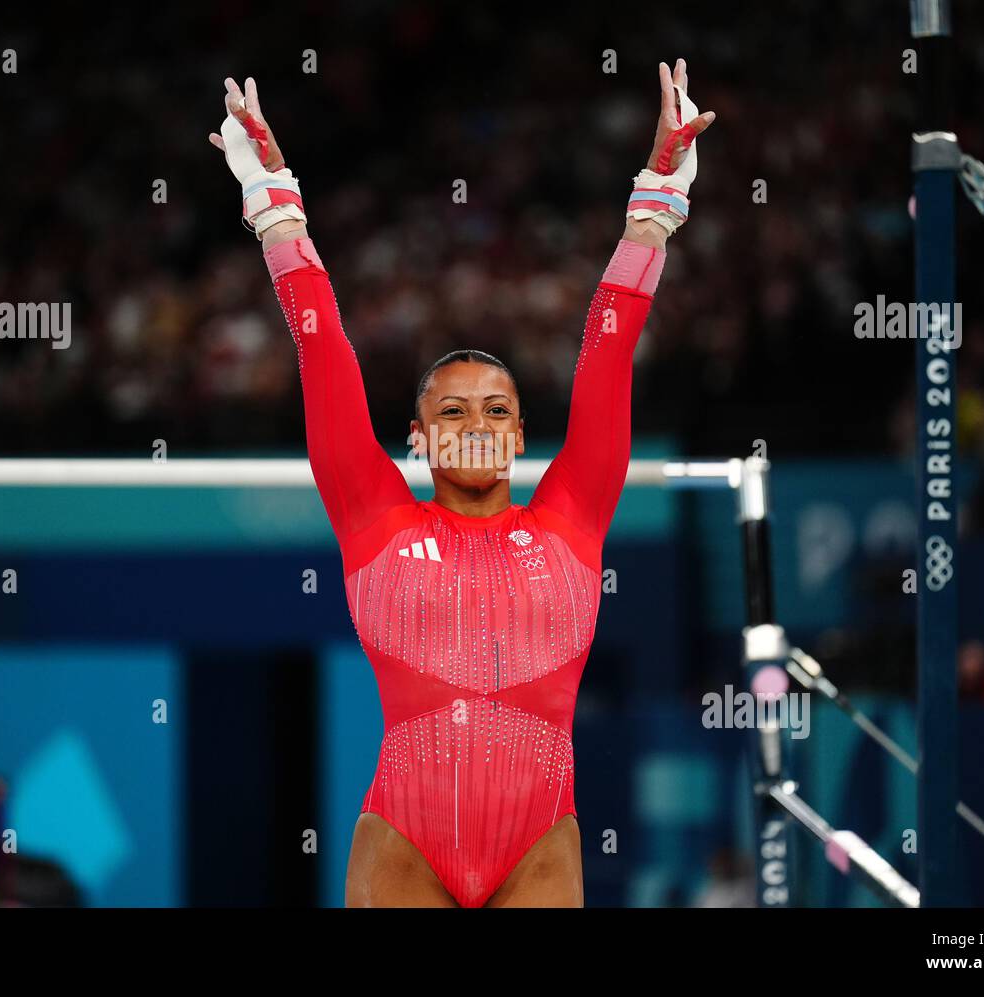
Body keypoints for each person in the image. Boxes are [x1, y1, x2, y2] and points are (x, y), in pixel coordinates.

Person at [210, 61, 715, 907]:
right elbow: (321, 350)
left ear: (520, 436)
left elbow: (608, 352)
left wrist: (653, 212)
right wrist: (274, 203)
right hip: (403, 840)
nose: (475, 425)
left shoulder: (573, 513)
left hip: (540, 842)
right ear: (418, 438)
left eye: (495, 410)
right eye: (452, 410)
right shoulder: (373, 516)